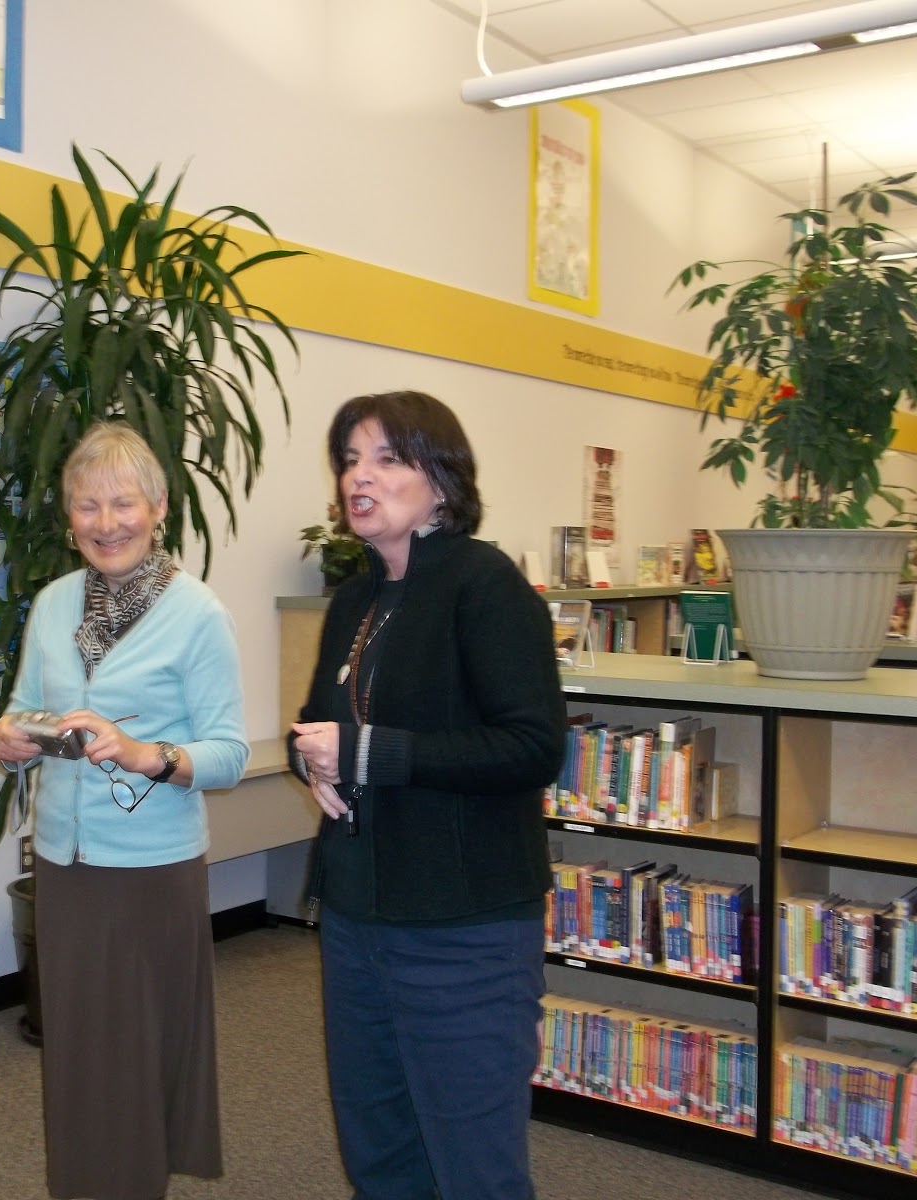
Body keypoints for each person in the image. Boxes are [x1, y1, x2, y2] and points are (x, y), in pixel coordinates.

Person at [289, 390, 566, 1200]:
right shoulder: (355, 597)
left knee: (473, 1163)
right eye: (348, 459)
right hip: (357, 916)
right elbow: (320, 724)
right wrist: (316, 759)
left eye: (386, 458)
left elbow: (531, 746)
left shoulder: (485, 584)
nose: (358, 477)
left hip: (463, 926)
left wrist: (370, 753)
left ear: (440, 480)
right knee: (378, 1147)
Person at [0, 421, 249, 1200]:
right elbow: (28, 705)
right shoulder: (54, 602)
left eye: (122, 503)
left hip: (151, 870)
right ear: (69, 517)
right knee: (77, 1051)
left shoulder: (198, 614)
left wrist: (143, 753)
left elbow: (228, 754)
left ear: (159, 506)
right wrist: (12, 735)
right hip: (67, 865)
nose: (106, 524)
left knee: (134, 1052)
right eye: (86, 506)